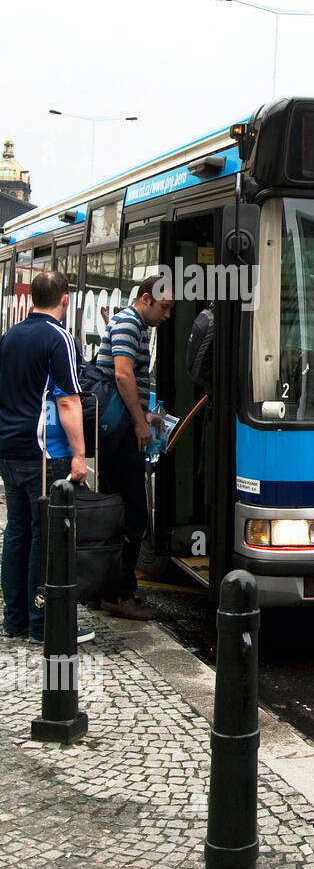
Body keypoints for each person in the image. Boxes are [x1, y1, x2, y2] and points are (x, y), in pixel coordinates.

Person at [0, 271, 89, 644]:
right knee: (46, 536)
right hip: (43, 452)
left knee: (16, 530)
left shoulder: (8, 337)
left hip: (8, 449)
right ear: (64, 300)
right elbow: (67, 399)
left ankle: (14, 619)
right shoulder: (59, 338)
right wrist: (80, 454)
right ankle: (43, 623)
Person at [90, 274, 174, 621]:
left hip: (126, 427)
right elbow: (123, 374)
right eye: (165, 308)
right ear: (145, 299)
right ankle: (118, 594)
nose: (167, 316)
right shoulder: (128, 323)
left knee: (121, 512)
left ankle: (107, 590)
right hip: (121, 435)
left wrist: (148, 415)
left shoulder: (136, 325)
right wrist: (140, 423)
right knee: (133, 514)